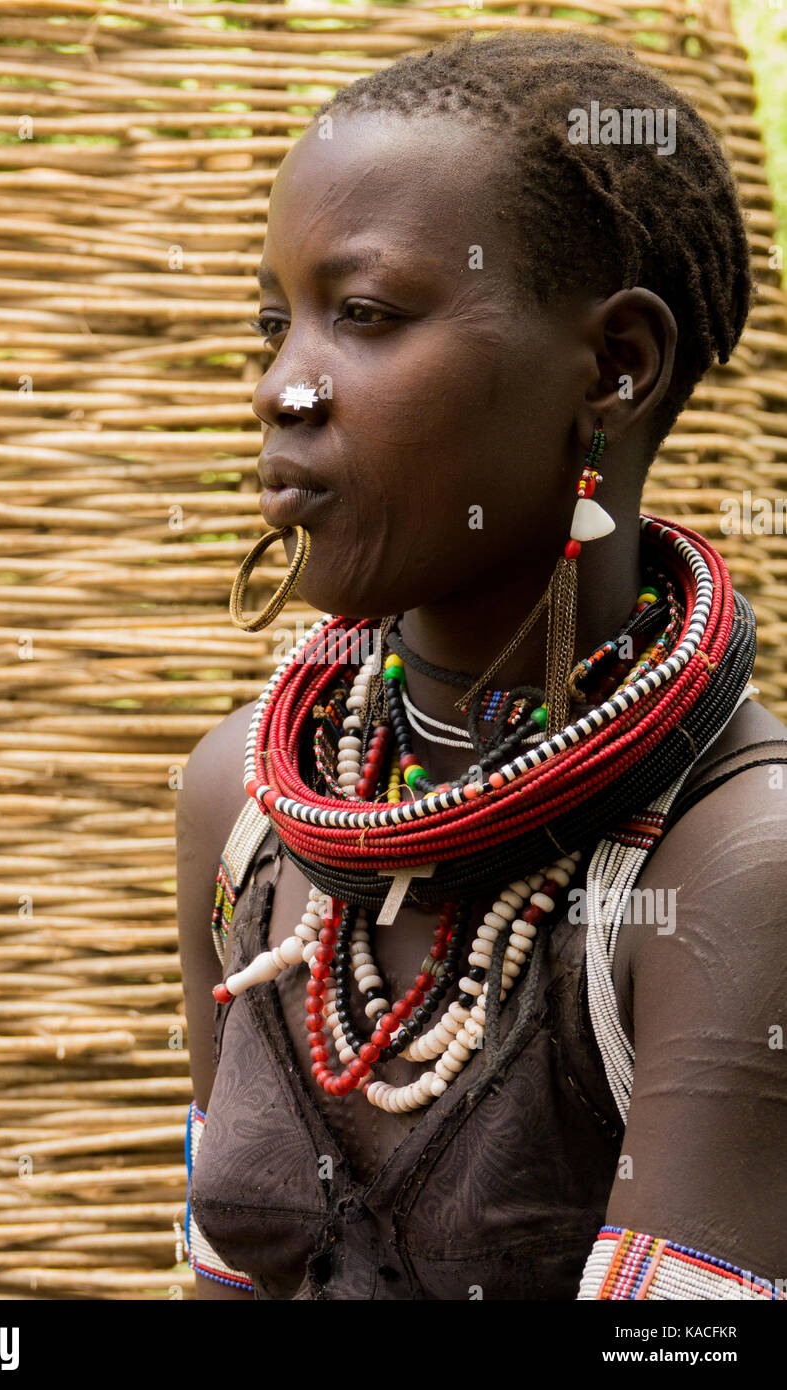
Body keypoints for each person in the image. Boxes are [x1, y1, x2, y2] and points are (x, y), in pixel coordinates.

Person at [176, 29, 787, 1300]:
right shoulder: (244, 804)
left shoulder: (736, 865)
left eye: (363, 315)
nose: (283, 390)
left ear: (615, 365)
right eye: (270, 325)